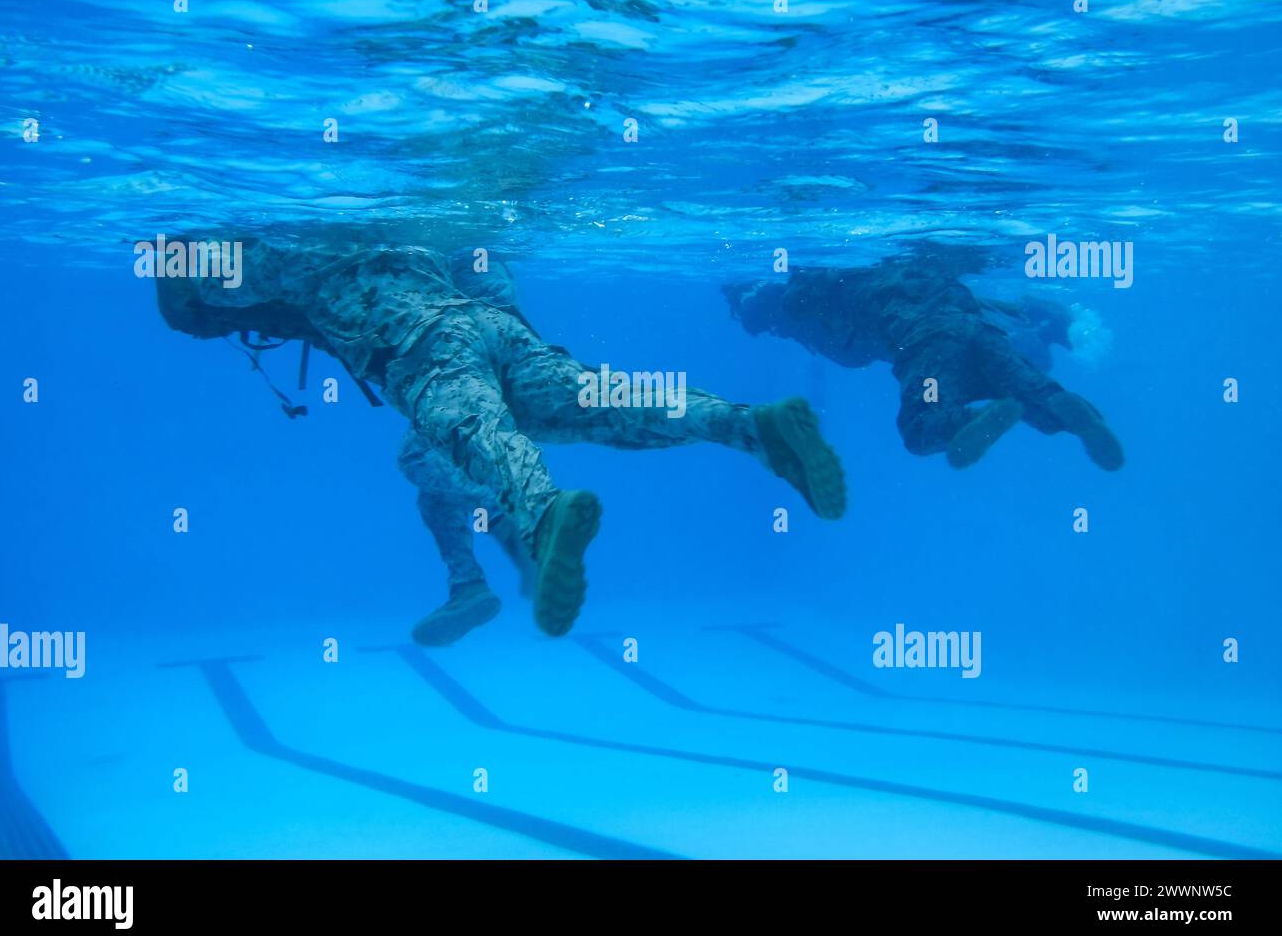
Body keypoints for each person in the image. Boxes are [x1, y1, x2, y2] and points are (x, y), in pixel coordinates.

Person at [154, 232, 848, 645]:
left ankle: (540, 521)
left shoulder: (296, 257)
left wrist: (178, 290)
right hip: (498, 328)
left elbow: (185, 264)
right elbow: (489, 270)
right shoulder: (417, 239)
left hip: (423, 346)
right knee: (601, 402)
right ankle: (748, 426)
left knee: (473, 434)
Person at [723, 243, 1123, 471]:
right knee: (1031, 387)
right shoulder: (903, 275)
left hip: (929, 346)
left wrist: (781, 297)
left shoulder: (841, 289)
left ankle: (970, 421)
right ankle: (1070, 413)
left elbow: (798, 301)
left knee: (922, 425)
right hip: (982, 333)